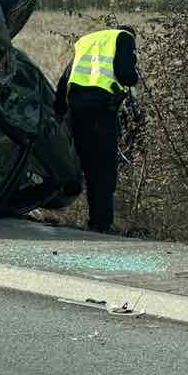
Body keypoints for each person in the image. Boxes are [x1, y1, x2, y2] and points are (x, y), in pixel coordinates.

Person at [54, 24, 139, 233]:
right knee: (104, 168)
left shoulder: (87, 44)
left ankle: (92, 219)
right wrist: (133, 68)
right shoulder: (124, 38)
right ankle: (102, 223)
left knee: (88, 165)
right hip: (102, 111)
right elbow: (127, 75)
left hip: (77, 112)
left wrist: (58, 112)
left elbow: (65, 79)